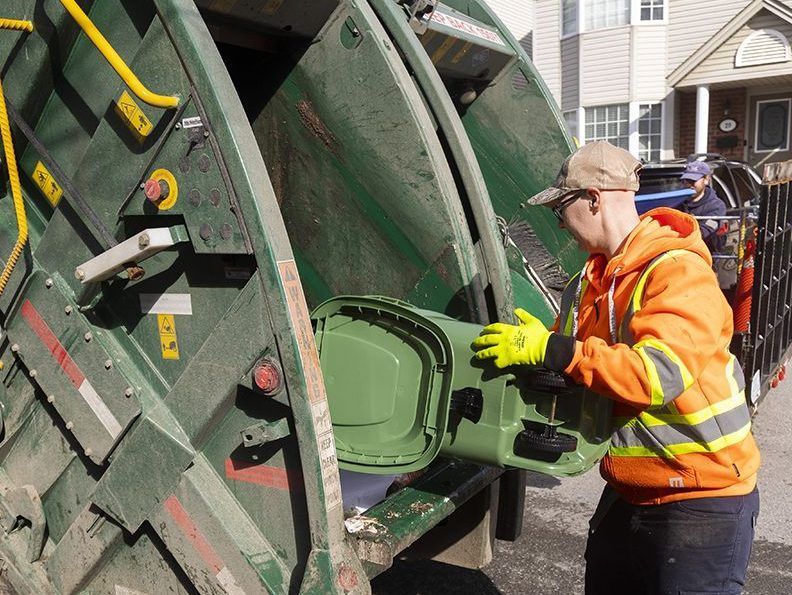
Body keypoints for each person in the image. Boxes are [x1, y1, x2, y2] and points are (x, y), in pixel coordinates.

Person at [471, 141, 760, 595]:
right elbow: (573, 353)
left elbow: (655, 376)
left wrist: (553, 350)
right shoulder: (588, 281)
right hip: (629, 492)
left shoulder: (677, 272)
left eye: (561, 209)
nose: (560, 223)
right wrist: (542, 341)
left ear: (593, 198)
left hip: (702, 498)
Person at [678, 160, 726, 254]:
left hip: (704, 256)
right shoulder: (676, 203)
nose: (689, 185)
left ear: (706, 180)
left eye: (693, 180)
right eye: (686, 180)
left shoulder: (716, 206)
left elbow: (705, 231)